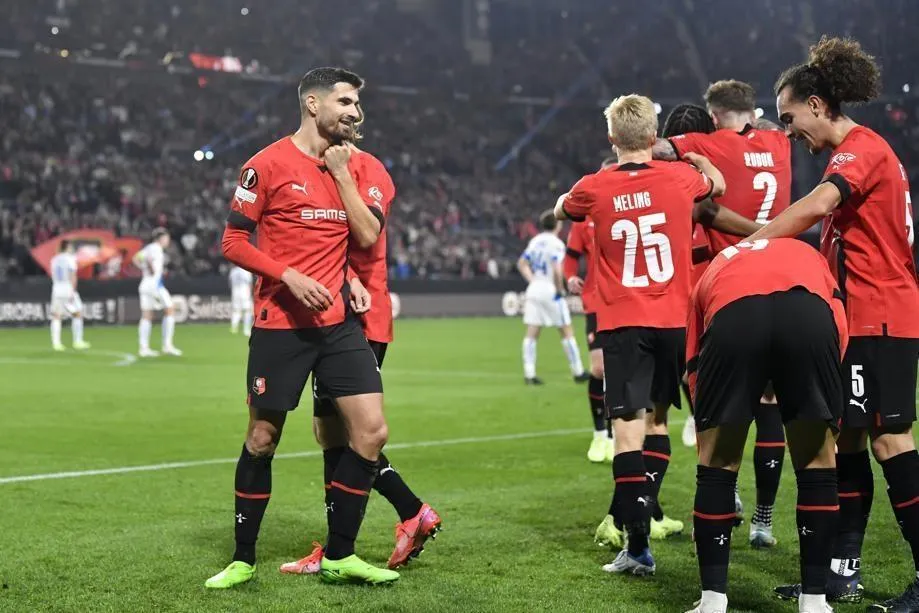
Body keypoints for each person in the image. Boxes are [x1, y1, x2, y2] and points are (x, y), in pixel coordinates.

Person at [744, 37, 919, 612]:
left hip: (881, 316)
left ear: (817, 105)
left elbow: (818, 205)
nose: (788, 130)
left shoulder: (860, 150)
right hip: (858, 318)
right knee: (847, 441)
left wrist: (748, 247)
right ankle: (843, 572)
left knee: (890, 440)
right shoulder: (856, 153)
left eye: (789, 117)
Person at [207, 66, 398, 588]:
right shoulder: (266, 164)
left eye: (357, 104)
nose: (355, 112)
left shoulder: (352, 168)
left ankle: (340, 554)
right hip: (281, 325)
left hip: (339, 326)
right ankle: (243, 558)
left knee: (371, 432)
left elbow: (362, 239)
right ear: (313, 104)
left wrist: (349, 278)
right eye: (345, 102)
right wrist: (287, 275)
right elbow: (232, 242)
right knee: (262, 437)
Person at [555, 93, 759, 576]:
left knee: (627, 434)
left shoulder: (594, 186)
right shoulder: (680, 178)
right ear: (653, 136)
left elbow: (563, 209)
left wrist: (589, 194)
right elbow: (717, 184)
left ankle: (638, 546)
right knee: (661, 425)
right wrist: (692, 156)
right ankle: (711, 512)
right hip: (674, 321)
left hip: (623, 323)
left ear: (611, 137)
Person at [279, 142, 442, 576]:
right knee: (329, 434)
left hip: (361, 319)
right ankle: (405, 515)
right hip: (328, 315)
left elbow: (367, 232)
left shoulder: (369, 169)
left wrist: (341, 174)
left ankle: (353, 542)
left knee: (357, 435)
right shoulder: (311, 168)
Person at [654, 82, 793, 549]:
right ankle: (764, 521)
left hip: (726, 287)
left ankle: (723, 496)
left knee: (717, 402)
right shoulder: (777, 140)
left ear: (714, 118)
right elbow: (771, 124)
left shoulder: (709, 146)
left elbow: (664, 157)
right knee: (771, 403)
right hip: (781, 279)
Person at [684, 238, 847, 613]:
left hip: (734, 314)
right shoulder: (810, 254)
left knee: (718, 466)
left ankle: (712, 601)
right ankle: (815, 601)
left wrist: (707, 450)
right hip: (808, 312)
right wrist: (829, 422)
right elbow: (838, 328)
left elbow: (694, 362)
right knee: (817, 465)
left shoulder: (717, 265)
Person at [564, 158, 616, 463]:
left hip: (627, 300)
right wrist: (571, 276)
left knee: (624, 370)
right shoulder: (584, 219)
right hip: (596, 300)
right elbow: (570, 257)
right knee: (599, 368)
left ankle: (618, 432)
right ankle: (600, 434)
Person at [518, 210, 590, 385]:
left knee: (532, 332)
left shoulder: (535, 241)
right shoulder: (556, 244)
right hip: (550, 290)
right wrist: (560, 290)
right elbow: (557, 269)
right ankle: (578, 371)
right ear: (558, 225)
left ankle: (529, 374)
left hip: (534, 288)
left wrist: (533, 280)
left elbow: (522, 263)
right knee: (566, 330)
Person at [133, 228, 182, 357]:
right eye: (167, 238)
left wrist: (144, 267)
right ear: (161, 238)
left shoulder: (148, 248)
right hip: (154, 285)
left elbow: (135, 258)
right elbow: (148, 261)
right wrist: (150, 268)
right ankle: (167, 345)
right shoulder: (156, 249)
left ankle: (143, 348)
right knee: (170, 309)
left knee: (147, 315)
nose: (168, 241)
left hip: (145, 284)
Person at [48, 240, 90, 351]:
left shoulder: (54, 259)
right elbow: (73, 276)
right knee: (77, 313)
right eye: (71, 246)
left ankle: (56, 343)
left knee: (56, 316)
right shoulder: (70, 259)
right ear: (67, 247)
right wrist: (72, 290)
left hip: (57, 289)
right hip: (67, 288)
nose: (72, 248)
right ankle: (77, 341)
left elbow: (52, 274)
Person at [228, 265, 254, 336]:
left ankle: (234, 328)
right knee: (247, 311)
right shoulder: (246, 271)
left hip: (235, 293)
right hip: (245, 293)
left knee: (236, 310)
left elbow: (230, 283)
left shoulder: (233, 271)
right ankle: (246, 330)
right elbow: (250, 284)